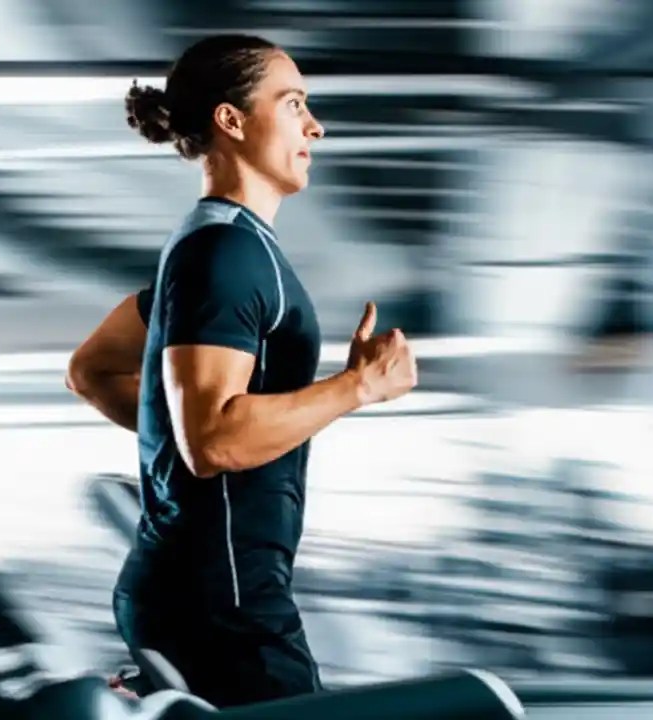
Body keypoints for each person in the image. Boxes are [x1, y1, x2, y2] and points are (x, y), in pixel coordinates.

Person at [67, 33, 418, 708]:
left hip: (206, 594)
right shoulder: (225, 253)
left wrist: (174, 435)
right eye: (292, 105)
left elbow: (94, 372)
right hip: (223, 607)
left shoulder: (214, 249)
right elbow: (216, 441)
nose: (314, 124)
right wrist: (358, 388)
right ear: (232, 120)